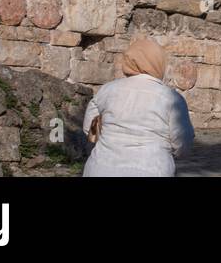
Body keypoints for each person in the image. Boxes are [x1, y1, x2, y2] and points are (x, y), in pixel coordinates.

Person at [82, 37, 195, 176]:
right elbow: (183, 143)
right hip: (152, 169)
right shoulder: (172, 98)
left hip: (100, 168)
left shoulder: (107, 90)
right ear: (159, 63)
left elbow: (89, 128)